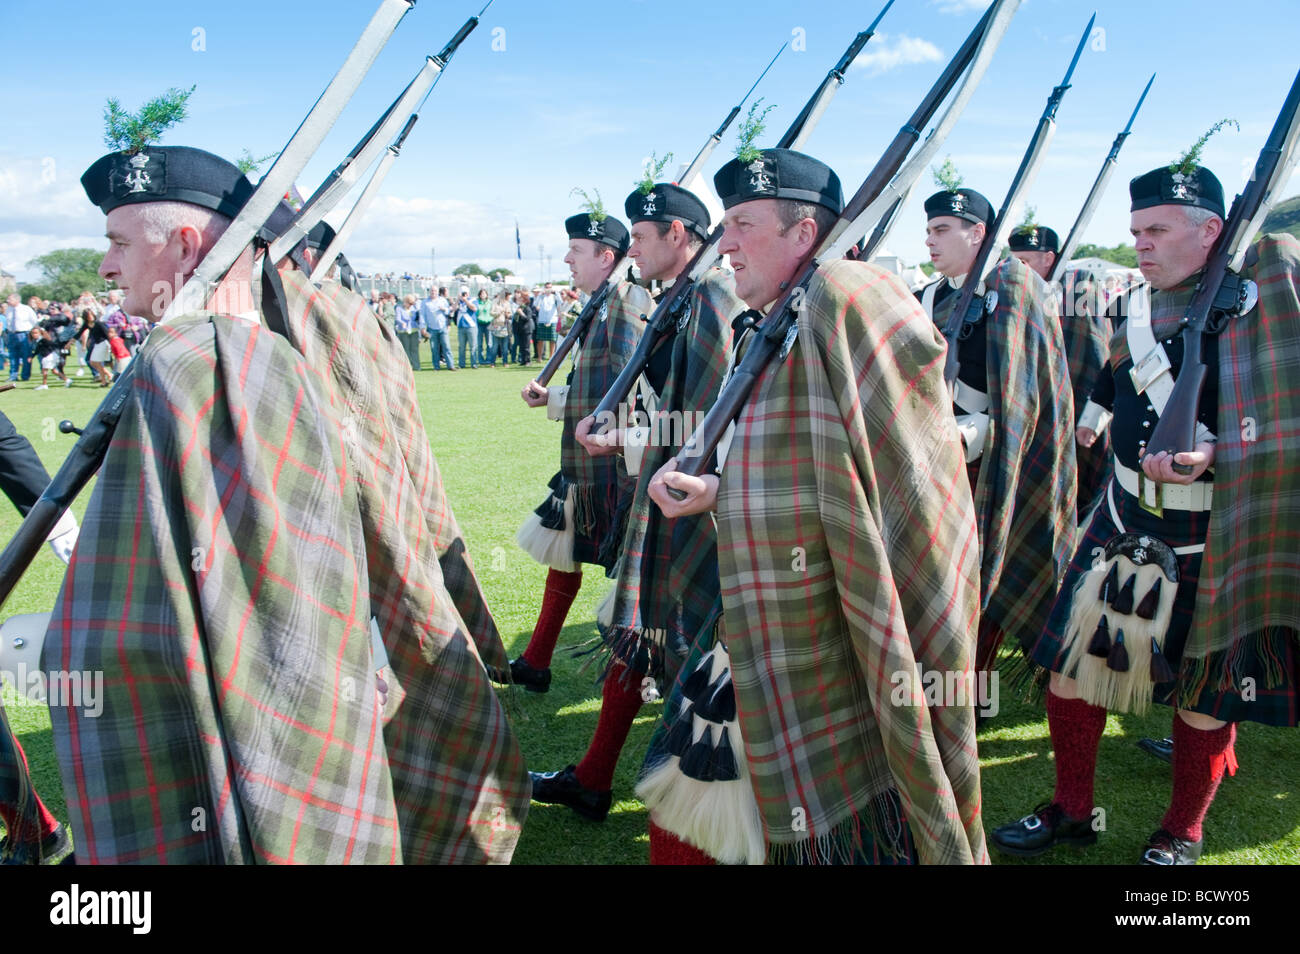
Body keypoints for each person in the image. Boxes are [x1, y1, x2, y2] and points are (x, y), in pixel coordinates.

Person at [48, 139, 523, 864]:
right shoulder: (251, 353)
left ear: (184, 245)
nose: (107, 265)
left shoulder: (191, 366)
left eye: (118, 242)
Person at [647, 148, 986, 864]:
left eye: (743, 223)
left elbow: (907, 487)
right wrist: (716, 489)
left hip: (832, 624)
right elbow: (795, 467)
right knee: (683, 818)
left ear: (804, 235)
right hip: (753, 608)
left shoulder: (848, 298)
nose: (725, 242)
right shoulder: (768, 319)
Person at [991, 162, 1300, 865]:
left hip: (1218, 527)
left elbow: (1286, 415)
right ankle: (1072, 809)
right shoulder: (1135, 304)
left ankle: (1182, 829)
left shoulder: (1267, 304)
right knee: (1074, 669)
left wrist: (1223, 451)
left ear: (1211, 232)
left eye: (1158, 230)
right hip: (1124, 516)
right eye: (1136, 231)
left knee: (1206, 690)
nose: (1142, 244)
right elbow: (1116, 377)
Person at [527, 181, 743, 823]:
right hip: (658, 492)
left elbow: (706, 427)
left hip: (695, 506)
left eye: (642, 237)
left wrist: (626, 438)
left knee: (673, 650)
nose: (632, 249)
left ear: (678, 236)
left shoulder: (710, 301)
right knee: (636, 632)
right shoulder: (677, 299)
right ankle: (594, 777)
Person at [917, 187, 1077, 686]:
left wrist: (976, 433)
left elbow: (1027, 395)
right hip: (932, 461)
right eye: (928, 231)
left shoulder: (1016, 288)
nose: (930, 242)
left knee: (988, 577)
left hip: (993, 463)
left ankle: (970, 687)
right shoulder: (929, 296)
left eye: (942, 230)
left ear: (978, 233)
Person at [510, 210, 650, 695]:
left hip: (617, 468)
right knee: (563, 554)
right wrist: (552, 397)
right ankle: (536, 660)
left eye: (576, 250)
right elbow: (595, 391)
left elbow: (634, 393)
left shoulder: (628, 304)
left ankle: (645, 674)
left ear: (605, 256)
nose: (567, 258)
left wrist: (625, 447)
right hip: (587, 465)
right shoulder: (600, 303)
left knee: (634, 581)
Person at [1009, 223, 1117, 519]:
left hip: (1077, 408)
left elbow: (1094, 358)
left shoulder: (1078, 289)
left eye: (1025, 262)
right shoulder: (1021, 291)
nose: (1018, 269)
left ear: (1049, 259)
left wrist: (1088, 417)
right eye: (1014, 261)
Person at [4, 294, 36, 382]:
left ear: (17, 300)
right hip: (12, 334)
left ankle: (25, 376)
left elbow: (34, 321)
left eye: (9, 299)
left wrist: (31, 334)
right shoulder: (8, 309)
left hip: (24, 334)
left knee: (26, 356)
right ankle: (13, 375)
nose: (8, 301)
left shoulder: (26, 309)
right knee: (13, 356)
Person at [421, 286, 454, 371]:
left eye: (435, 291)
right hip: (431, 328)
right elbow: (422, 315)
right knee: (434, 348)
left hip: (442, 327)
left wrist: (444, 309)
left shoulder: (442, 300)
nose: (433, 292)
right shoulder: (425, 302)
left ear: (437, 292)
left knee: (446, 346)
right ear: (429, 292)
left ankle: (451, 365)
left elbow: (449, 311)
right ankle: (436, 366)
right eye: (432, 290)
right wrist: (422, 327)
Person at [394, 292, 423, 370]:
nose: (411, 305)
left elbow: (418, 320)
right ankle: (407, 368)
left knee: (414, 350)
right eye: (409, 303)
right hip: (403, 332)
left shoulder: (415, 309)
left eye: (412, 303)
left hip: (414, 332)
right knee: (406, 350)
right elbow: (397, 319)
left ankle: (417, 366)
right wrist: (402, 323)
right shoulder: (399, 308)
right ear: (405, 302)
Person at [533, 280, 561, 361]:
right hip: (542, 320)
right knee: (540, 340)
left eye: (549, 287)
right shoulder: (542, 297)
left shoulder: (555, 296)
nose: (548, 289)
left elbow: (560, 302)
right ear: (544, 288)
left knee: (552, 340)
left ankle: (551, 357)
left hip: (552, 320)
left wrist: (556, 292)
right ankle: (539, 357)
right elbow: (535, 304)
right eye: (547, 287)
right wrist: (540, 294)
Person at [454, 289, 478, 368]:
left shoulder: (473, 300)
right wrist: (458, 299)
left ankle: (474, 363)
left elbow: (474, 308)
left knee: (473, 346)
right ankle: (461, 364)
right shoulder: (459, 302)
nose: (464, 295)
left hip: (471, 326)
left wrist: (466, 301)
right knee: (461, 347)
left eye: (465, 293)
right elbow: (453, 309)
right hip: (461, 326)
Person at [510, 288, 535, 366]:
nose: (519, 300)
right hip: (520, 330)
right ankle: (523, 360)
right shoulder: (520, 308)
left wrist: (521, 314)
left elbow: (527, 318)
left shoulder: (527, 308)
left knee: (526, 347)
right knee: (522, 346)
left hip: (527, 330)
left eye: (520, 299)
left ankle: (528, 361)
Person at [474, 288, 492, 365]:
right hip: (479, 324)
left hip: (488, 323)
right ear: (479, 295)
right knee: (479, 342)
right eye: (481, 294)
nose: (483, 295)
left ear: (487, 295)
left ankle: (489, 358)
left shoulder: (490, 303)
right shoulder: (477, 302)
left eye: (484, 293)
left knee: (489, 342)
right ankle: (480, 359)